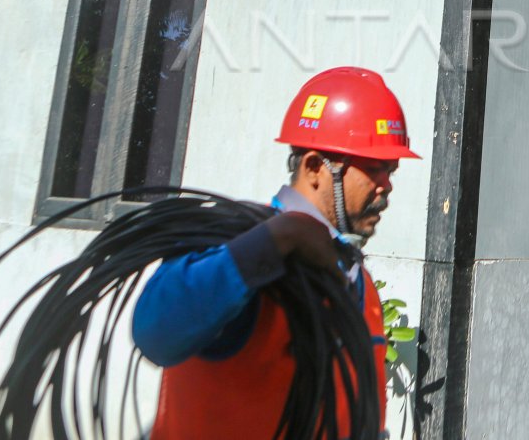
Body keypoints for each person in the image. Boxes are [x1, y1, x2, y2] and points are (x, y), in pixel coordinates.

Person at [132, 67, 420, 439]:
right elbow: (156, 333)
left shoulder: (359, 284)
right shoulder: (231, 246)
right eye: (375, 169)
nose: (387, 186)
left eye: (392, 171)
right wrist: (276, 241)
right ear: (315, 167)